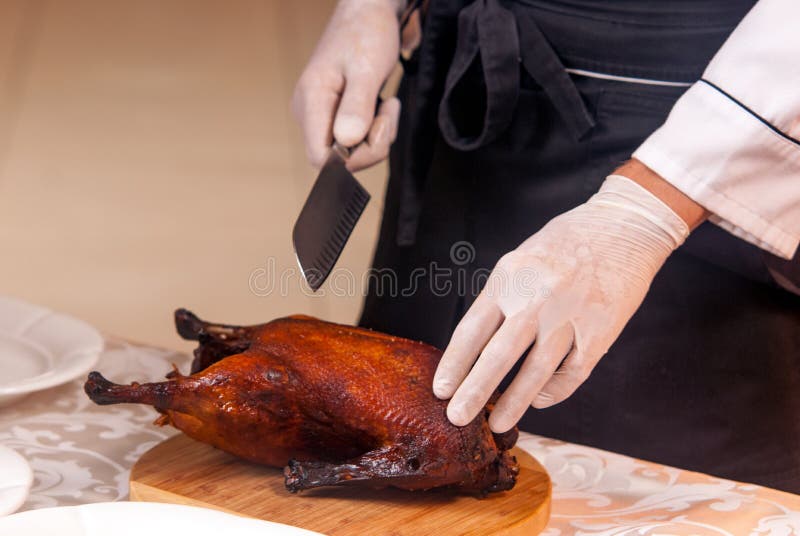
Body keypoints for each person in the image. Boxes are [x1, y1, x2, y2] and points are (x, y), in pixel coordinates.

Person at [292, 0, 800, 492]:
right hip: (457, 105)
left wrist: (647, 209)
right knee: (400, 469)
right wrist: (370, 8)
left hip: (691, 135)